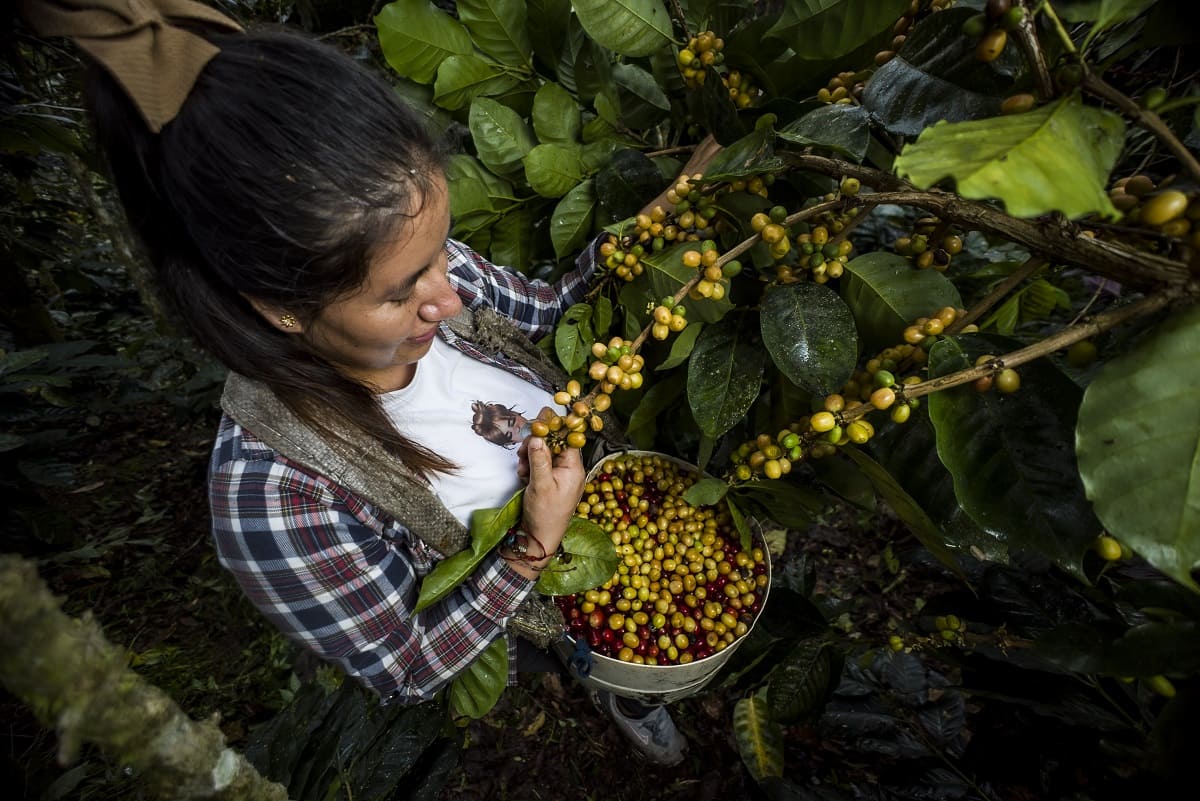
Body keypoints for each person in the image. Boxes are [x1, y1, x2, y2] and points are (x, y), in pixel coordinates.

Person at [20, 0, 722, 768]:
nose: (449, 297)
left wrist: (659, 227)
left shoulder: (421, 264)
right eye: (401, 292)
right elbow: (407, 662)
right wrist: (529, 550)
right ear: (281, 309)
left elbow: (553, 311)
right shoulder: (272, 496)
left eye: (441, 253)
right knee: (603, 650)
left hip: (628, 509)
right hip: (544, 598)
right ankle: (616, 687)